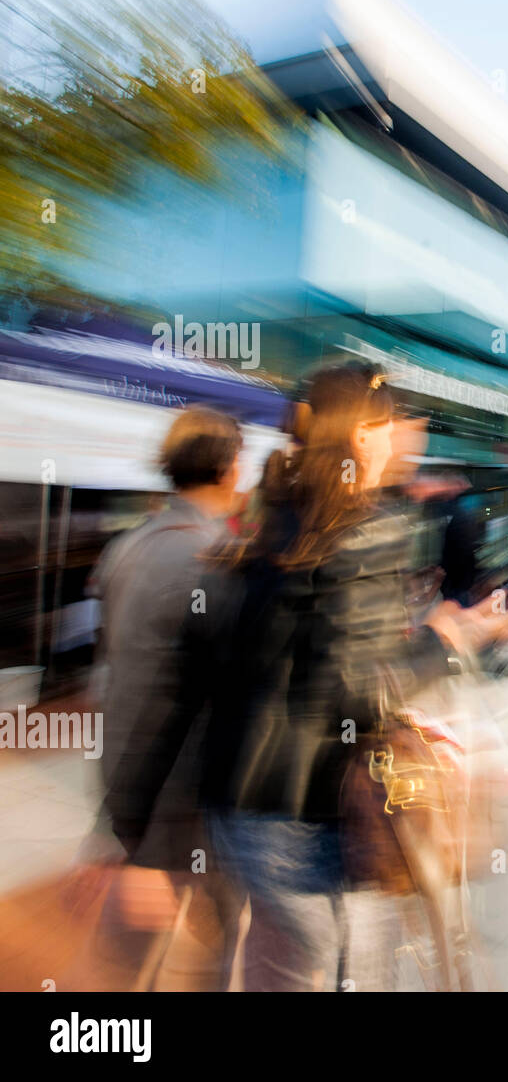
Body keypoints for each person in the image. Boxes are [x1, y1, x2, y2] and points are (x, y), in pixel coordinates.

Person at [106, 362, 508, 991]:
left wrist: (135, 825)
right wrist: (446, 640)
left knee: (278, 970)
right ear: (362, 436)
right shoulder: (368, 531)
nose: (406, 437)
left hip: (236, 815)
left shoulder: (265, 523)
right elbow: (355, 692)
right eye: (393, 422)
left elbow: (193, 676)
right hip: (308, 824)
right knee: (346, 971)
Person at [88, 405, 247, 990]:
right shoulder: (215, 562)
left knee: (141, 969)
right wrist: (153, 849)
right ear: (231, 468)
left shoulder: (125, 549)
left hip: (133, 798)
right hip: (186, 818)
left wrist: (115, 825)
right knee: (201, 961)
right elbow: (189, 707)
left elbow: (121, 685)